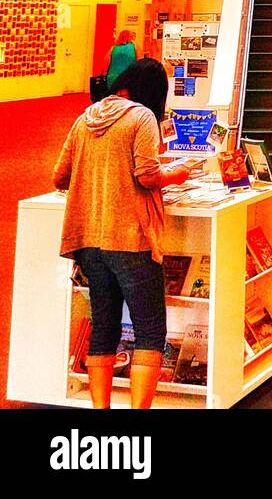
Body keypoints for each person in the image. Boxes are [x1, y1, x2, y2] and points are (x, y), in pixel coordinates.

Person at [53, 57, 199, 409]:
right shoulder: (142, 117)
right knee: (150, 330)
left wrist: (102, 174)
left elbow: (60, 176)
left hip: (88, 240)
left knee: (103, 327)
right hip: (130, 239)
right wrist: (177, 174)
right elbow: (147, 176)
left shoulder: (85, 117)